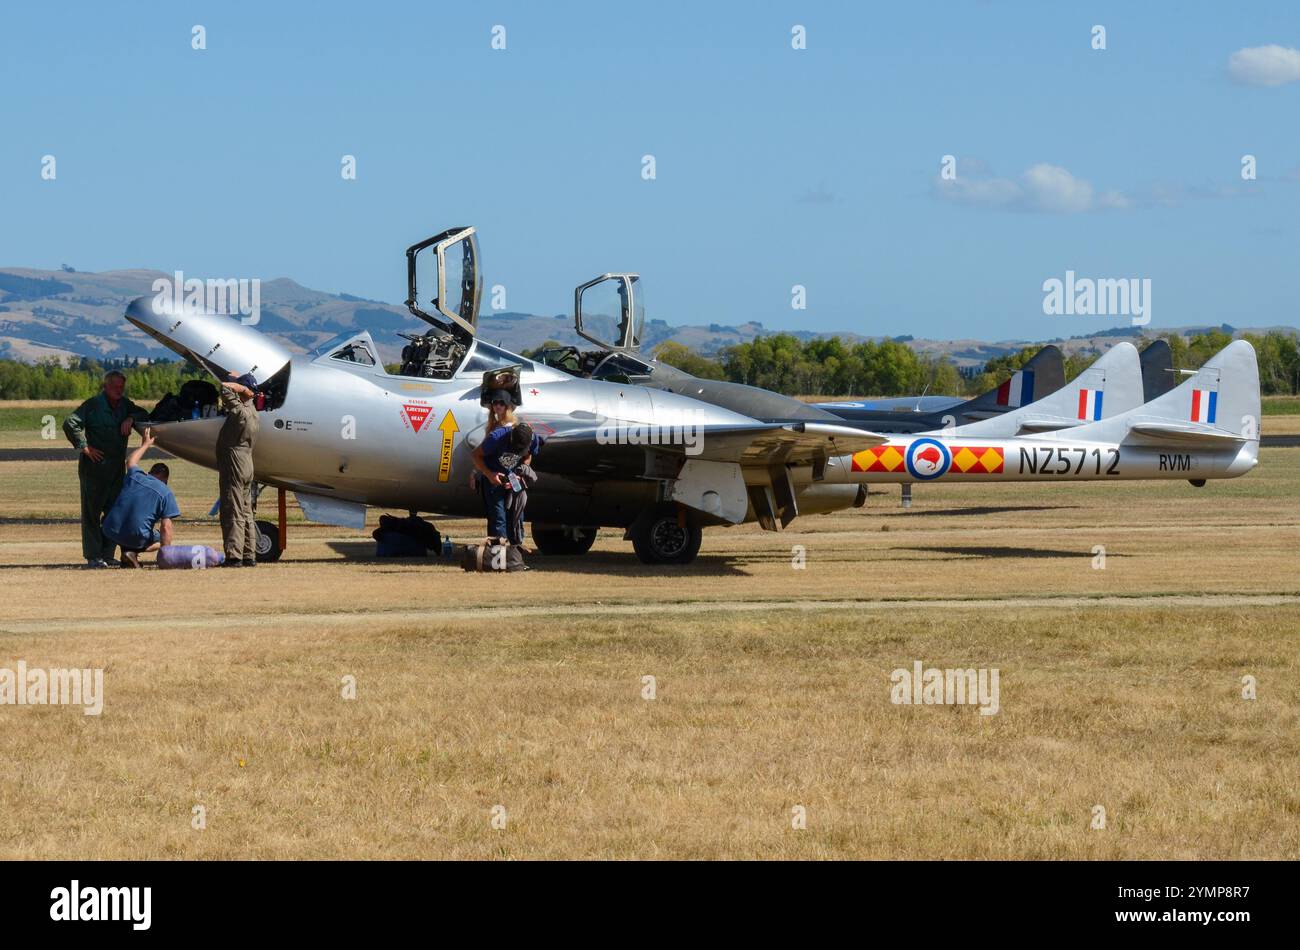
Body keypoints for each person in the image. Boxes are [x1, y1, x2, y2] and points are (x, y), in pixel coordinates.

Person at [63, 370, 150, 568]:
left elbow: (144, 413)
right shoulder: (93, 405)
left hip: (116, 470)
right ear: (106, 387)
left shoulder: (125, 405)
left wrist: (131, 419)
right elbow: (70, 423)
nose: (119, 390)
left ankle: (108, 554)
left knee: (114, 513)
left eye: (122, 387)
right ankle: (93, 556)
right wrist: (84, 447)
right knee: (92, 513)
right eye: (115, 387)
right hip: (93, 469)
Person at [101, 428, 181, 568]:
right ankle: (133, 552)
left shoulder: (135, 476)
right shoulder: (166, 493)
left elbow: (130, 461)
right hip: (134, 535)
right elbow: (166, 527)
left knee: (131, 525)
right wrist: (165, 555)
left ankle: (127, 556)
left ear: (149, 472)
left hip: (110, 528)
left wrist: (145, 444)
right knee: (159, 536)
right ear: (166, 480)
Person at [470, 390, 539, 543]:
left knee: (516, 516)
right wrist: (488, 474)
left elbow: (528, 456)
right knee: (498, 518)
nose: (498, 406)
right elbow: (476, 455)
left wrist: (520, 474)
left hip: (514, 479)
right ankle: (499, 556)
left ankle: (515, 554)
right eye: (495, 403)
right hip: (494, 479)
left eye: (502, 403)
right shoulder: (497, 436)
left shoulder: (531, 436)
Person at [217, 372, 261, 567]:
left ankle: (234, 556)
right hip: (247, 462)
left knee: (232, 509)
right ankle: (249, 554)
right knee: (246, 512)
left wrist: (240, 387)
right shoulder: (252, 412)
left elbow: (224, 388)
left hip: (234, 461)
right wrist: (240, 381)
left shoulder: (240, 412)